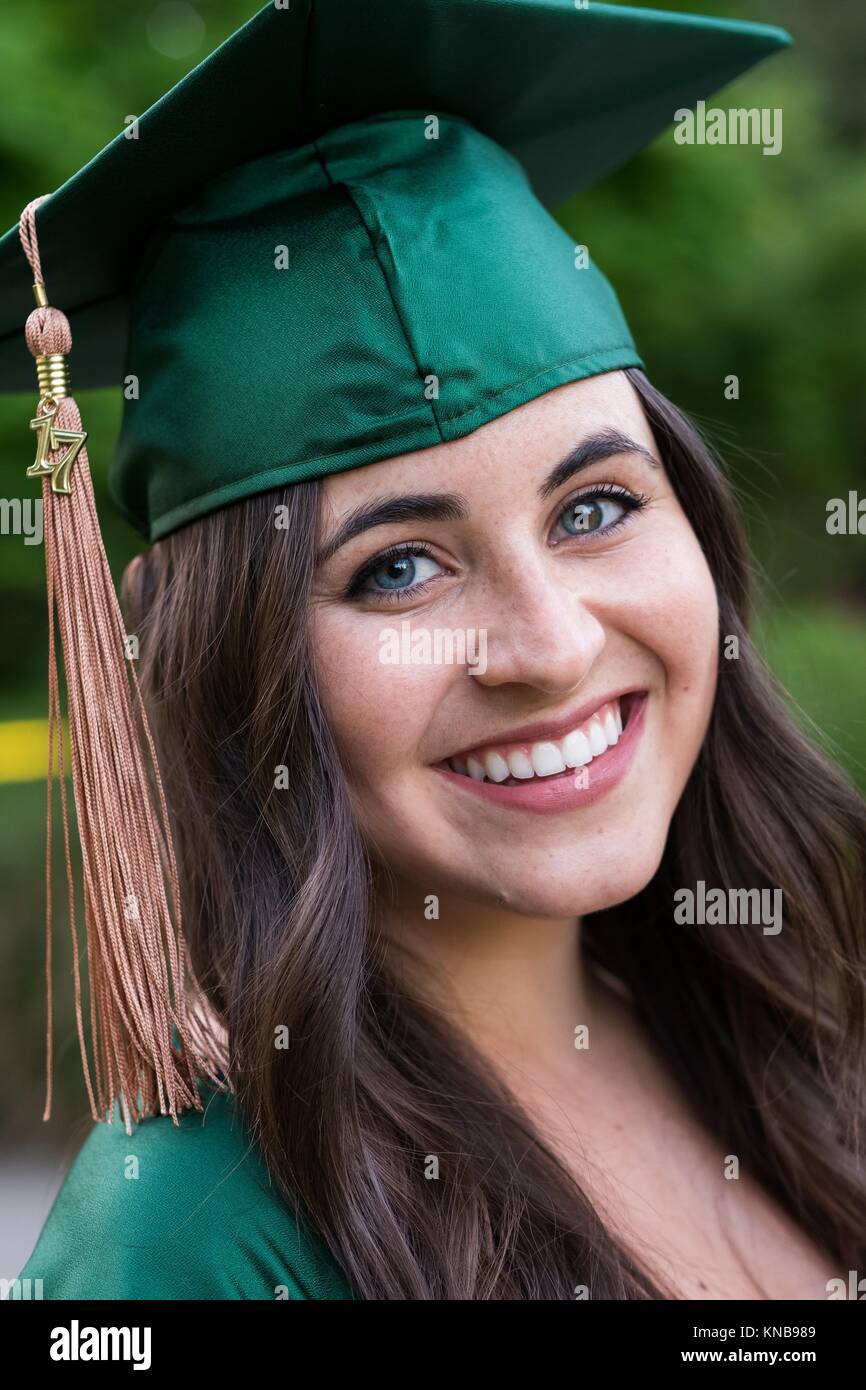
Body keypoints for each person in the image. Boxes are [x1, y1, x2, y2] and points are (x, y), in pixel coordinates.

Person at [4, 0, 864, 1301]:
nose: (550, 645)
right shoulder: (179, 1243)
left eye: (593, 507)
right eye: (398, 566)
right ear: (202, 646)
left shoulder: (788, 1020)